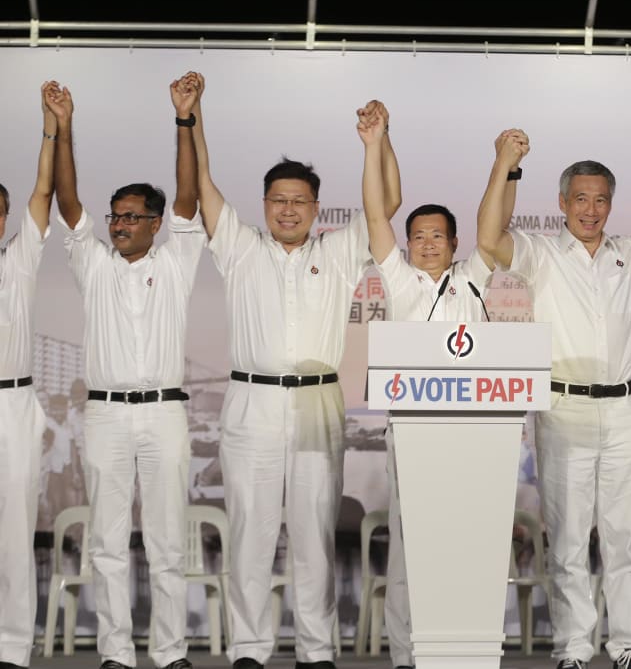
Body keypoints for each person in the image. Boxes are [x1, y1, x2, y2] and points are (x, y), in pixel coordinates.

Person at [477, 144, 631, 669]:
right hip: (562, 407)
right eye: (581, 199)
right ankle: (573, 650)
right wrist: (506, 165)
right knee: (570, 540)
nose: (590, 209)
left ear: (610, 205)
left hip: (624, 410)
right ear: (561, 202)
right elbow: (488, 237)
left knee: (624, 540)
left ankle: (629, 648)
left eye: (600, 200)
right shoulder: (539, 252)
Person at [191, 74, 374, 669]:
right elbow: (202, 185)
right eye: (278, 200)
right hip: (252, 404)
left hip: (319, 403)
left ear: (316, 208)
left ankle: (317, 653)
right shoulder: (240, 248)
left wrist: (375, 145)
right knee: (251, 535)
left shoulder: (339, 252)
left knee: (315, 538)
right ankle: (249, 650)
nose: (288, 209)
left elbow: (383, 208)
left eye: (300, 201)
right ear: (264, 204)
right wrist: (189, 118)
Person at [50, 73, 204, 669]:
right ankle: (116, 652)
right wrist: (64, 129)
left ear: (157, 223)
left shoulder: (178, 261)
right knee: (109, 543)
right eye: (115, 217)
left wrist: (185, 120)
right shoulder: (93, 263)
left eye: (132, 217)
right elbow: (68, 204)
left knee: (167, 541)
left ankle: (170, 653)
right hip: (107, 414)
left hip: (165, 411)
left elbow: (189, 195)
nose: (118, 225)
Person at [357, 108, 515, 669]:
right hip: (414, 434)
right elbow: (376, 213)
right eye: (417, 236)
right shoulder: (396, 280)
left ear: (453, 244)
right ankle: (407, 658)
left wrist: (504, 166)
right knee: (410, 554)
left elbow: (492, 222)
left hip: (474, 437)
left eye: (436, 236)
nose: (426, 243)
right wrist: (376, 144)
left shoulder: (474, 278)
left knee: (467, 552)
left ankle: (464, 654)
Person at [0, 81, 56, 669]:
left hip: (12, 406)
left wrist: (50, 127)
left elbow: (44, 192)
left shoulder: (18, 260)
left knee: (15, 528)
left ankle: (12, 647)